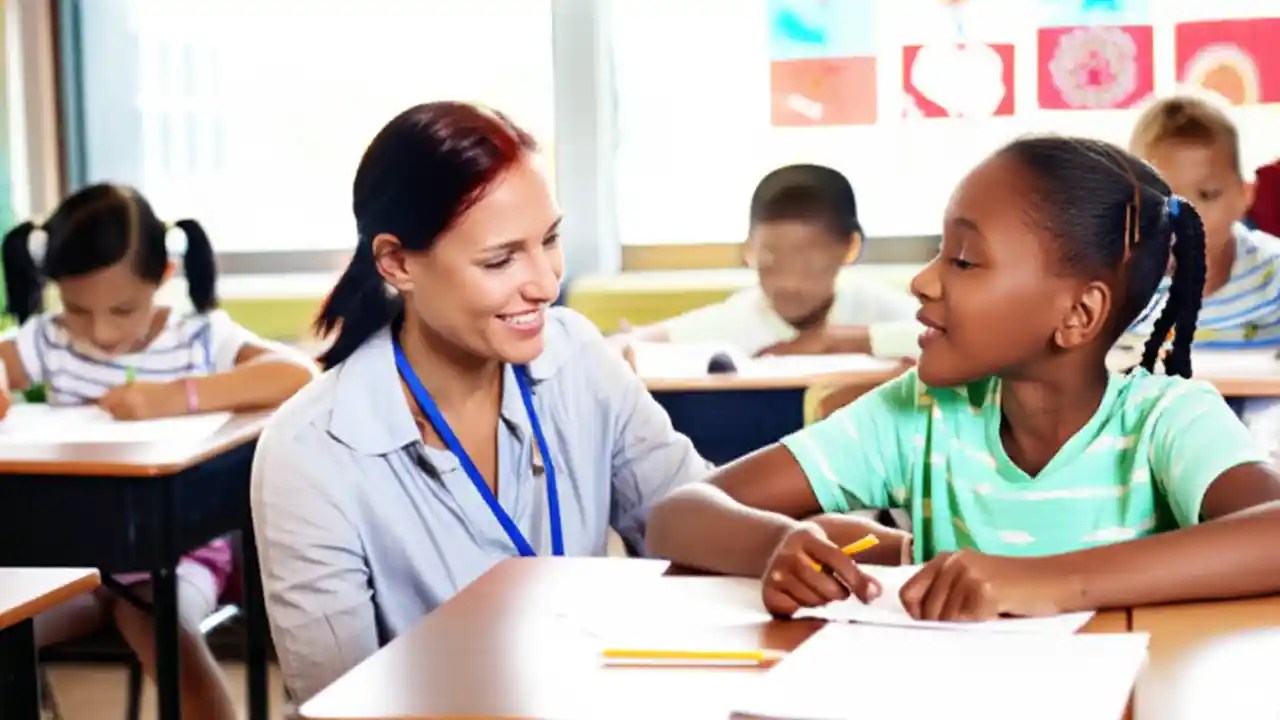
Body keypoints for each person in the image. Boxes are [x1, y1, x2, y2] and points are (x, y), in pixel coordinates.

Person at [646, 136, 1280, 621]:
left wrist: (1045, 580)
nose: (923, 281)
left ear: (1079, 314)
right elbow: (678, 514)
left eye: (965, 259)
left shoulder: (1165, 420)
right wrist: (781, 543)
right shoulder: (918, 413)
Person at [250, 101, 709, 703]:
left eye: (549, 240)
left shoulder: (576, 357)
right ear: (397, 262)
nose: (545, 283)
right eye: (500, 259)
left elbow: (686, 517)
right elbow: (341, 701)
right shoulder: (311, 451)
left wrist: (773, 538)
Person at [0, 184, 316, 720]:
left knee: (159, 622)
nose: (100, 332)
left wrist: (173, 397)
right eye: (77, 309)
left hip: (172, 554)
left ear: (163, 278)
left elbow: (297, 374)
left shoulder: (196, 337)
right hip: (67, 555)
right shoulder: (47, 340)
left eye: (122, 309)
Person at [619, 164, 920, 358]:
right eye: (771, 260)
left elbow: (956, 342)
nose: (788, 281)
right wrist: (629, 343)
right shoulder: (743, 316)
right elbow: (649, 340)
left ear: (850, 248)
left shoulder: (878, 308)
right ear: (749, 249)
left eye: (807, 262)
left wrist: (836, 341)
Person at [1125, 95, 1280, 463]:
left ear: (1245, 195)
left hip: (1258, 435)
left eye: (1207, 195)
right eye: (1165, 200)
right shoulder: (1122, 279)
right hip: (1161, 432)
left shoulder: (1272, 270)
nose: (1186, 217)